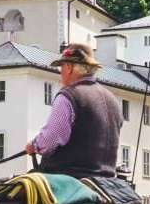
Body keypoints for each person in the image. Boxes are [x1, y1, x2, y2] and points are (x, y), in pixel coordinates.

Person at [24, 42, 122, 179]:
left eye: (62, 68)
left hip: (70, 181)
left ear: (69, 68)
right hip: (107, 182)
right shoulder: (113, 100)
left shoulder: (68, 96)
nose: (60, 73)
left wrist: (34, 146)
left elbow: (50, 140)